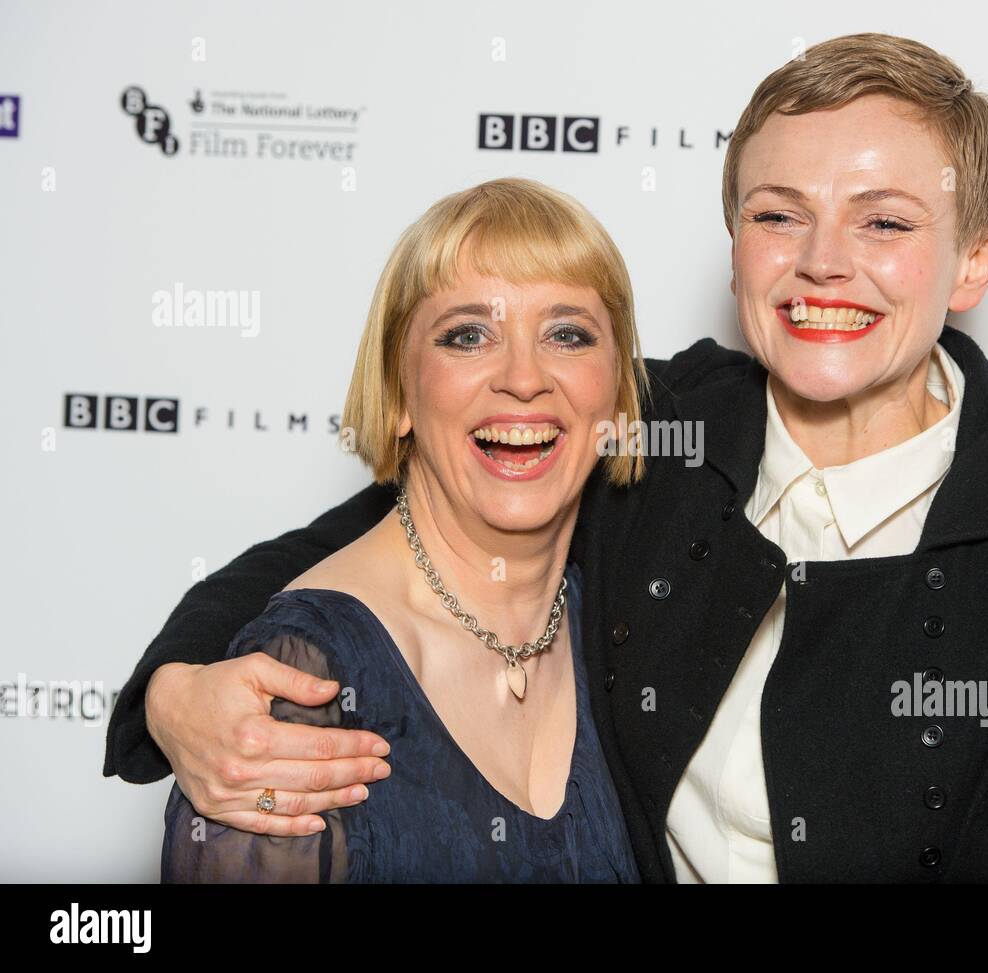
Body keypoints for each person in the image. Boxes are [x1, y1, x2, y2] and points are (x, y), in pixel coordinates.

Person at [111, 33, 988, 883]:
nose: (820, 262)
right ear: (734, 244)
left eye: (883, 221)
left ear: (971, 266)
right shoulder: (655, 424)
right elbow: (365, 538)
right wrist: (176, 691)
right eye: (777, 214)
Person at [159, 177, 645, 882]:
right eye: (468, 335)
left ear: (619, 395)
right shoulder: (310, 680)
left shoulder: (619, 626)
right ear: (397, 394)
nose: (523, 377)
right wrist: (168, 687)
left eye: (567, 333)